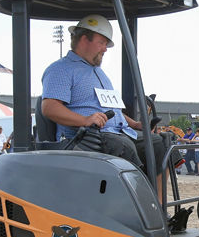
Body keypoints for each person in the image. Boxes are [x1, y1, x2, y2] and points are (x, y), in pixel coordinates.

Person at [40, 14, 169, 179]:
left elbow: (112, 110)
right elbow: (50, 107)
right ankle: (134, 200)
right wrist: (85, 120)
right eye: (102, 42)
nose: (105, 48)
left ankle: (158, 203)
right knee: (123, 146)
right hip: (85, 138)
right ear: (85, 39)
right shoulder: (61, 69)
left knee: (159, 142)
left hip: (116, 132)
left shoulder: (100, 73)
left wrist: (136, 124)